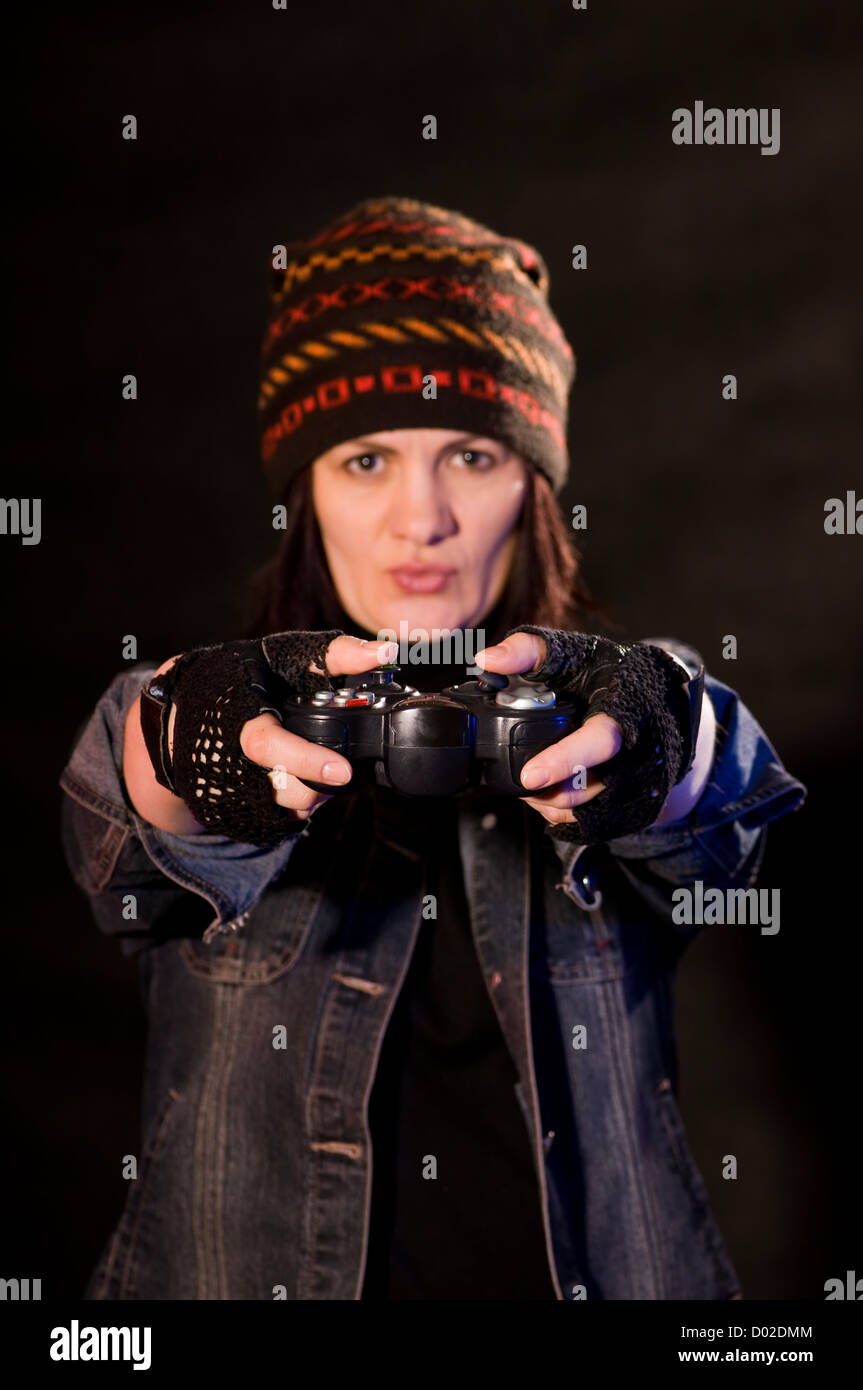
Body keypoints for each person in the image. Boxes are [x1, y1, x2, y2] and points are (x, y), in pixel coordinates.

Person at [59, 195, 807, 1301]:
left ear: (534, 485)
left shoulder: (619, 714)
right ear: (304, 489)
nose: (421, 519)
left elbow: (714, 795)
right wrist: (198, 747)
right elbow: (136, 790)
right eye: (364, 459)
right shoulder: (192, 712)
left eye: (467, 453)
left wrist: (652, 743)